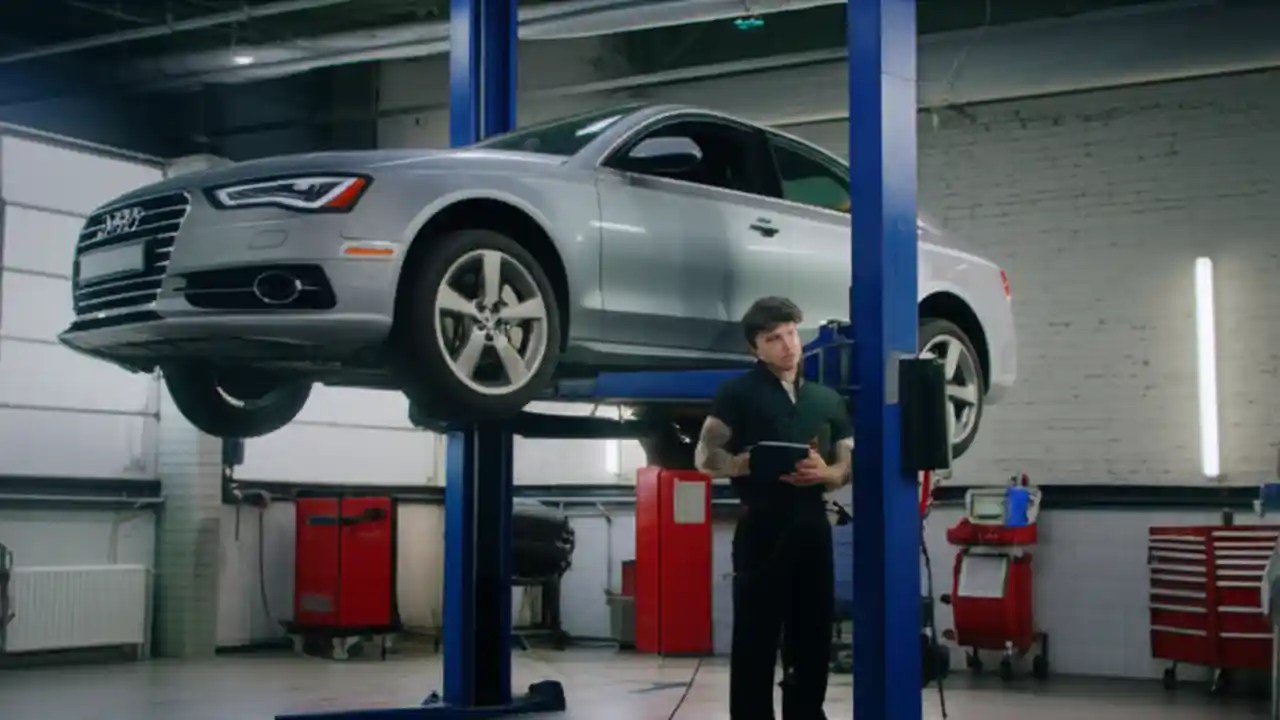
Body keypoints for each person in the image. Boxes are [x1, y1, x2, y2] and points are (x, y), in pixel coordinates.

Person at [695, 296, 854, 720]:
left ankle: (806, 713)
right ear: (756, 348)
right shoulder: (738, 394)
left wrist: (827, 473)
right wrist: (746, 462)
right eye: (773, 338)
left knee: (813, 634)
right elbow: (704, 457)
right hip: (762, 525)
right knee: (755, 639)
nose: (787, 345)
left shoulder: (826, 399)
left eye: (790, 333)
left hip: (811, 525)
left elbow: (845, 466)